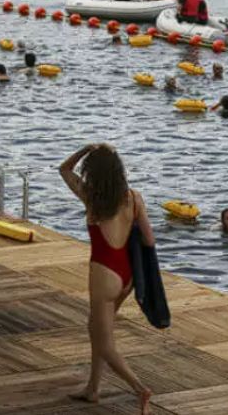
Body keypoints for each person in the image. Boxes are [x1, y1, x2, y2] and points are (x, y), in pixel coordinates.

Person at [60, 144, 155, 412]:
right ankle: (92, 389)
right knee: (96, 329)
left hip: (104, 274)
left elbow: (64, 170)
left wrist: (83, 150)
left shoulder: (92, 198)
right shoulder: (134, 198)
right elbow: (149, 239)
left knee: (104, 342)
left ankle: (140, 389)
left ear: (93, 172)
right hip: (127, 276)